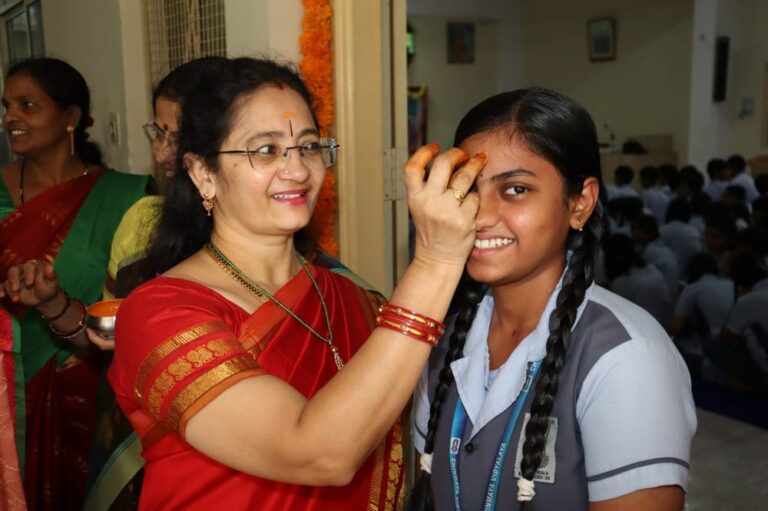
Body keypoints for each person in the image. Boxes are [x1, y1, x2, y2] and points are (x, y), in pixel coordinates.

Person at [107, 57, 485, 510]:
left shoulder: (356, 301)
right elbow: (317, 454)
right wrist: (437, 260)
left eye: (308, 147)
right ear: (203, 173)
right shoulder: (160, 313)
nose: (299, 170)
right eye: (265, 150)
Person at [408, 88, 695, 511]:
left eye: (516, 189)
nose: (481, 215)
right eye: (467, 187)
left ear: (580, 202)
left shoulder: (627, 358)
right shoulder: (442, 339)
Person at [0, 58, 150, 510]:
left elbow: (139, 307)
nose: (11, 117)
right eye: (7, 105)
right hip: (6, 387)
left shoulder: (127, 195)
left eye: (28, 105)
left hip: (92, 384)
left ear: (69, 118)